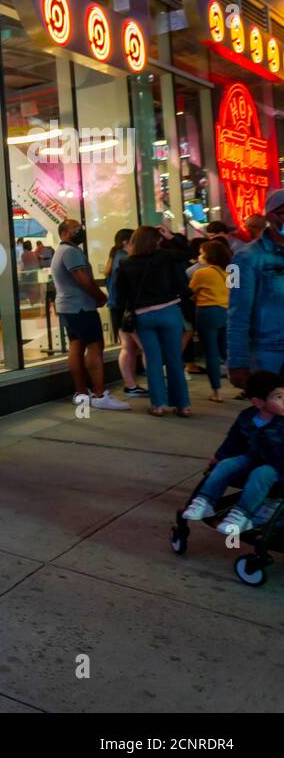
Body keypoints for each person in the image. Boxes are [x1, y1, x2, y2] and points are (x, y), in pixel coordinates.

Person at [182, 371, 284, 536]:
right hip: (254, 457)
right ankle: (206, 501)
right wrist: (218, 457)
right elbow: (234, 441)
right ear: (258, 402)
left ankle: (243, 514)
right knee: (226, 465)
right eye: (278, 397)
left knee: (261, 474)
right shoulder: (247, 417)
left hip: (278, 466)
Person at [113, 225, 193, 417]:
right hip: (169, 312)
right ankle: (183, 406)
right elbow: (189, 253)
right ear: (157, 240)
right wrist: (171, 236)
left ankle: (157, 405)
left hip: (143, 316)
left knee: (153, 360)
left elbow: (120, 294)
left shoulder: (125, 263)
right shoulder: (164, 256)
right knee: (174, 359)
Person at [50, 219, 129, 411]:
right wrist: (100, 296)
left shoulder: (62, 251)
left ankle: (82, 393)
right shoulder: (71, 252)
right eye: (77, 229)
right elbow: (83, 280)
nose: (81, 231)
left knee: (76, 346)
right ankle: (100, 394)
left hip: (70, 307)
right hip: (81, 307)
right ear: (65, 232)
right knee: (94, 346)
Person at [228, 189, 284, 390]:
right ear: (269, 216)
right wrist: (237, 361)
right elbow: (237, 312)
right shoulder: (243, 257)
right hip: (269, 353)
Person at [104, 229, 145, 398]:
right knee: (146, 347)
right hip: (127, 309)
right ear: (126, 242)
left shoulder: (115, 258)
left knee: (128, 347)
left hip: (117, 308)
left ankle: (130, 385)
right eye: (135, 241)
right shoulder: (125, 260)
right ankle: (156, 386)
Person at [190, 239, 232, 403]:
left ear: (209, 255)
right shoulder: (231, 272)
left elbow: (190, 292)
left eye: (201, 253)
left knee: (211, 353)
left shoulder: (201, 273)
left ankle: (217, 392)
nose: (199, 256)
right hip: (226, 312)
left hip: (207, 312)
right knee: (226, 351)